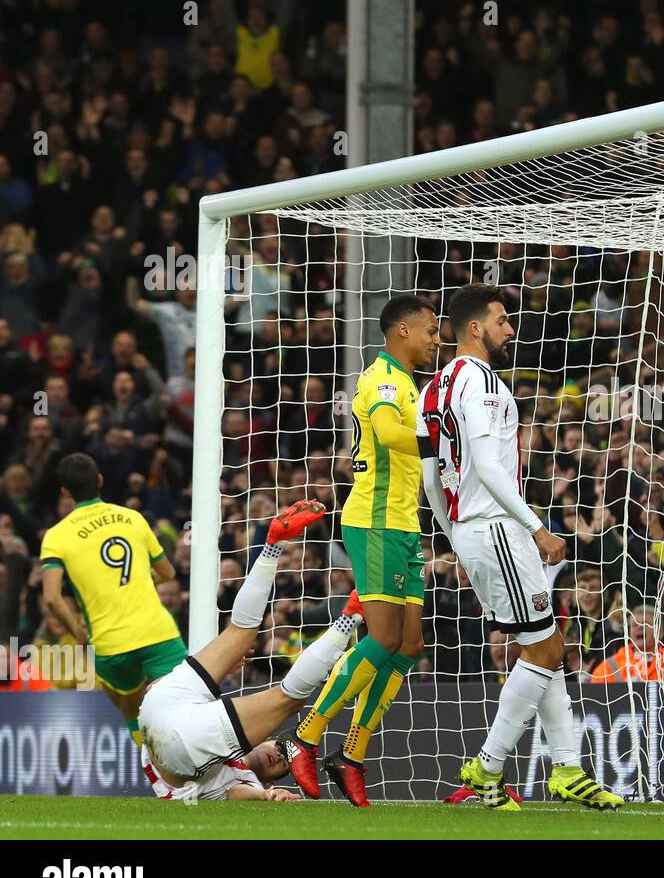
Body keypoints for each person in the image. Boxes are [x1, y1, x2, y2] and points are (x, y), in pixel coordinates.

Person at [419, 283, 622, 810]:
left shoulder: (433, 388)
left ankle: (569, 769)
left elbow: (430, 477)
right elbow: (487, 467)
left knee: (544, 645)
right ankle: (486, 767)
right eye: (502, 320)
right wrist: (536, 527)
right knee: (548, 649)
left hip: (474, 530)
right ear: (474, 327)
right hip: (500, 528)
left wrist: (455, 538)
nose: (510, 329)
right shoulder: (481, 380)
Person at [287, 296, 441, 807]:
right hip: (373, 521)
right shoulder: (383, 380)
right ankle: (306, 737)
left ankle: (351, 754)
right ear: (402, 331)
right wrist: (443, 433)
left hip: (402, 524)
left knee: (409, 645)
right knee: (382, 639)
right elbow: (388, 432)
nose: (436, 340)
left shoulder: (408, 382)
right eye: (430, 331)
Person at [139, 499, 359, 801]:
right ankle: (280, 552)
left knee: (278, 686)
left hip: (165, 722)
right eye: (281, 752)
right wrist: (268, 796)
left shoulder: (243, 778)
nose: (278, 758)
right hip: (167, 717)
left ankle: (347, 610)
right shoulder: (241, 774)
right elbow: (246, 792)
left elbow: (239, 793)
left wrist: (265, 796)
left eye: (278, 762)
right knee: (251, 646)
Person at [39, 453, 187, 746]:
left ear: (65, 492)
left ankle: (153, 771)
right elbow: (168, 572)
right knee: (187, 702)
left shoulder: (56, 536)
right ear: (100, 481)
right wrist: (140, 582)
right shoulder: (133, 517)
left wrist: (79, 634)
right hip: (157, 631)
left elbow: (53, 599)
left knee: (130, 707)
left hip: (108, 642)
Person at [589, 603, 664, 683]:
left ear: (659, 632)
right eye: (635, 624)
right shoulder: (609, 667)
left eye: (645, 624)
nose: (639, 628)